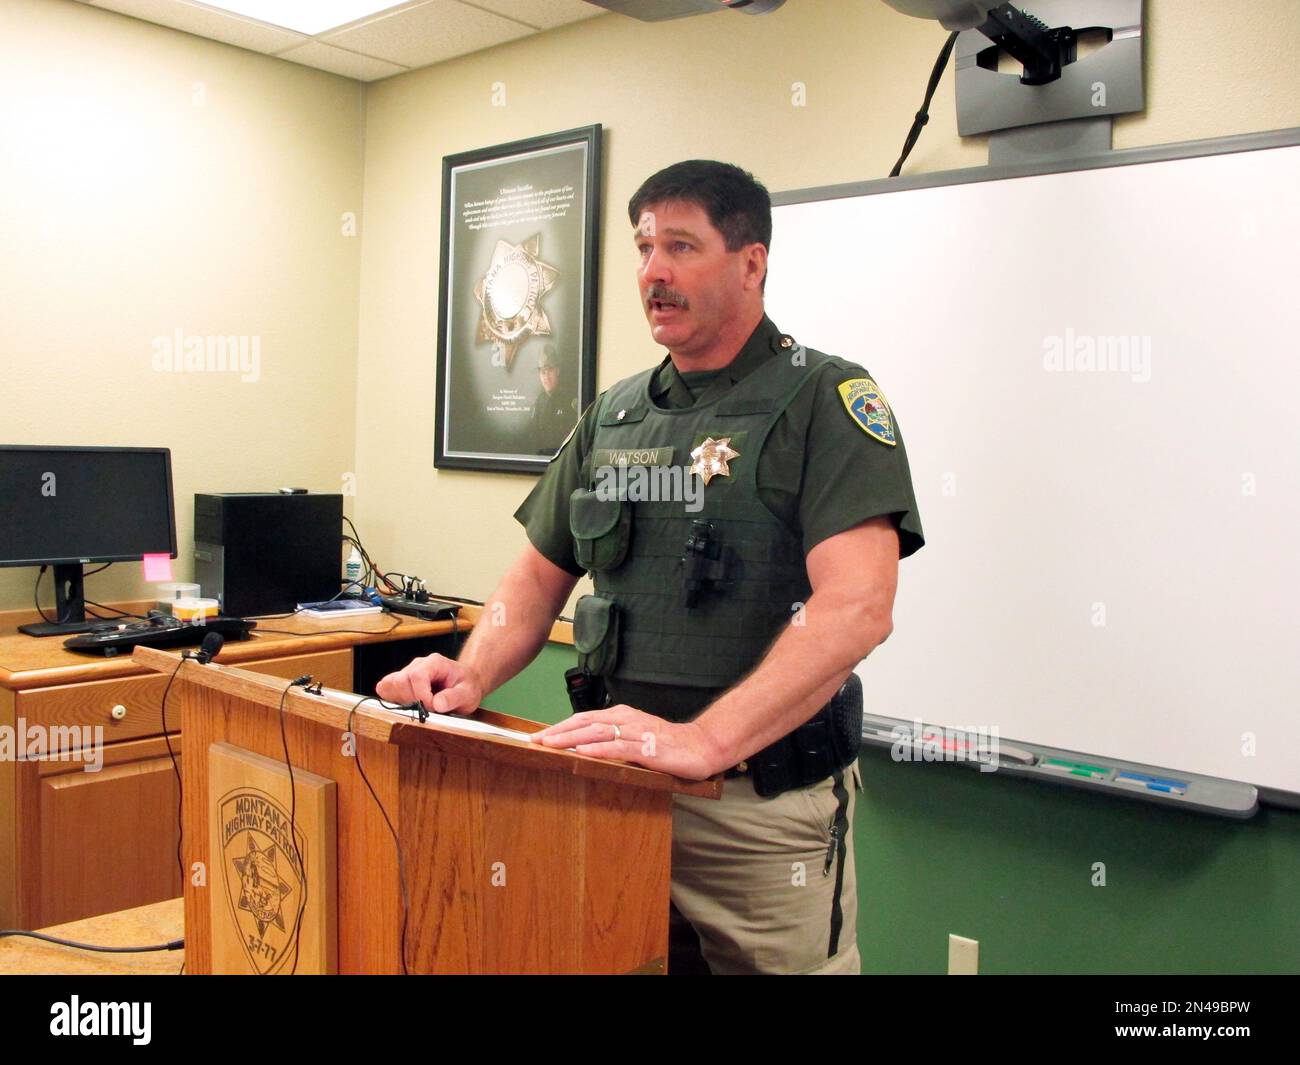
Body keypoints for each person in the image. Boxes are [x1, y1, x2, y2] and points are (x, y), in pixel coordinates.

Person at [378, 159, 924, 975]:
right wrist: (470, 675)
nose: (653, 272)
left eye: (680, 245)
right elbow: (533, 580)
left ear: (751, 261)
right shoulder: (615, 413)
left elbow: (856, 607)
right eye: (642, 248)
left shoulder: (825, 398)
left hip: (758, 814)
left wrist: (704, 740)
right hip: (614, 791)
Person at [529, 342, 578, 454]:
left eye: (550, 370)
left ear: (557, 371)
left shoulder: (570, 401)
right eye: (543, 372)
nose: (546, 377)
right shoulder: (539, 403)